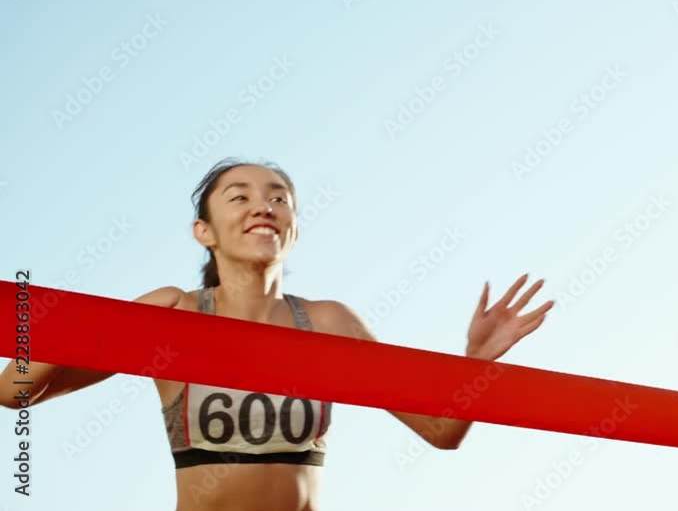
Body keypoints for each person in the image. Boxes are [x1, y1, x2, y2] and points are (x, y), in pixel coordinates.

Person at [0, 158, 553, 511]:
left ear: (292, 227)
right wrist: (55, 327)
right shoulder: (172, 314)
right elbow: (14, 391)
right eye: (238, 196)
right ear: (205, 232)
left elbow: (441, 430)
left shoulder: (330, 324)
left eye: (279, 196)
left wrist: (478, 359)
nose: (263, 204)